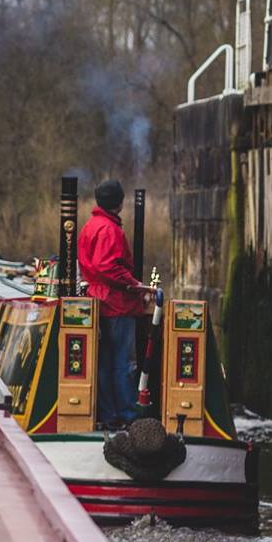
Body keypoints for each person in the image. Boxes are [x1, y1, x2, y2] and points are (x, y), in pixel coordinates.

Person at [78, 179, 151, 429]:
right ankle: (128, 416)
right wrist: (134, 283)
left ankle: (109, 415)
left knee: (104, 364)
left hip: (98, 300)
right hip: (116, 303)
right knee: (124, 364)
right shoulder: (110, 230)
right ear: (119, 203)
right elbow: (106, 266)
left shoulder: (90, 226)